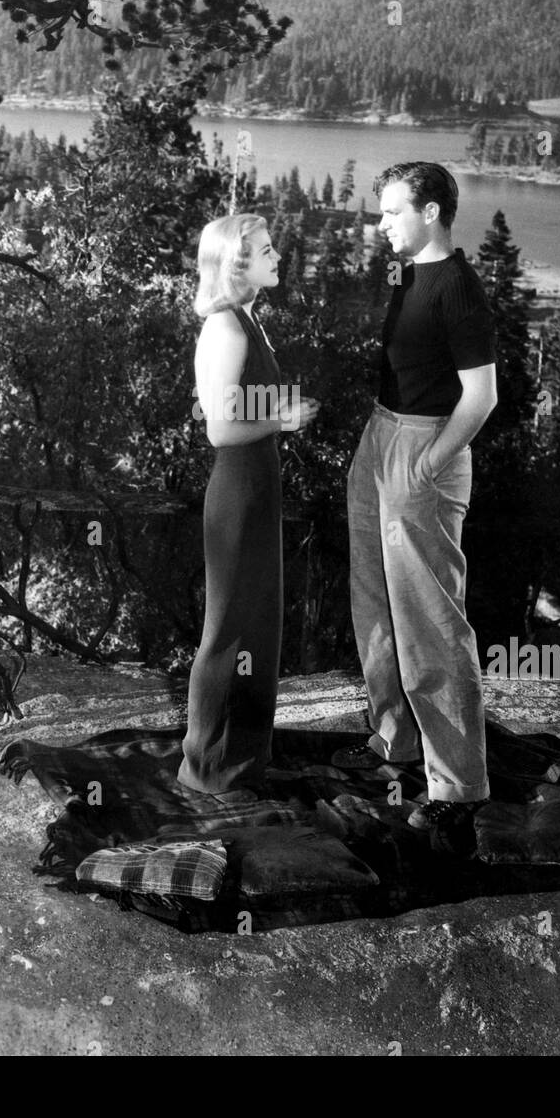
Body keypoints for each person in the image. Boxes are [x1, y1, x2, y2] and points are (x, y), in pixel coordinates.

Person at [334, 162, 498, 855]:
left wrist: (428, 464)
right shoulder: (407, 276)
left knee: (430, 622)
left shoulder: (458, 289)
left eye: (391, 212)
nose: (381, 224)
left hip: (423, 449)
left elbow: (481, 396)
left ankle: (456, 789)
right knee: (373, 600)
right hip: (382, 435)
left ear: (430, 212)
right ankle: (395, 737)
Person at [178, 213, 319, 794]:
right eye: (264, 249)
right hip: (237, 489)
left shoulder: (245, 320)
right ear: (236, 263)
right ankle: (210, 767)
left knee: (256, 625)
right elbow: (217, 430)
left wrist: (275, 415)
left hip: (257, 487)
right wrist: (281, 419)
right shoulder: (229, 330)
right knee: (230, 628)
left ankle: (241, 760)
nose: (276, 255)